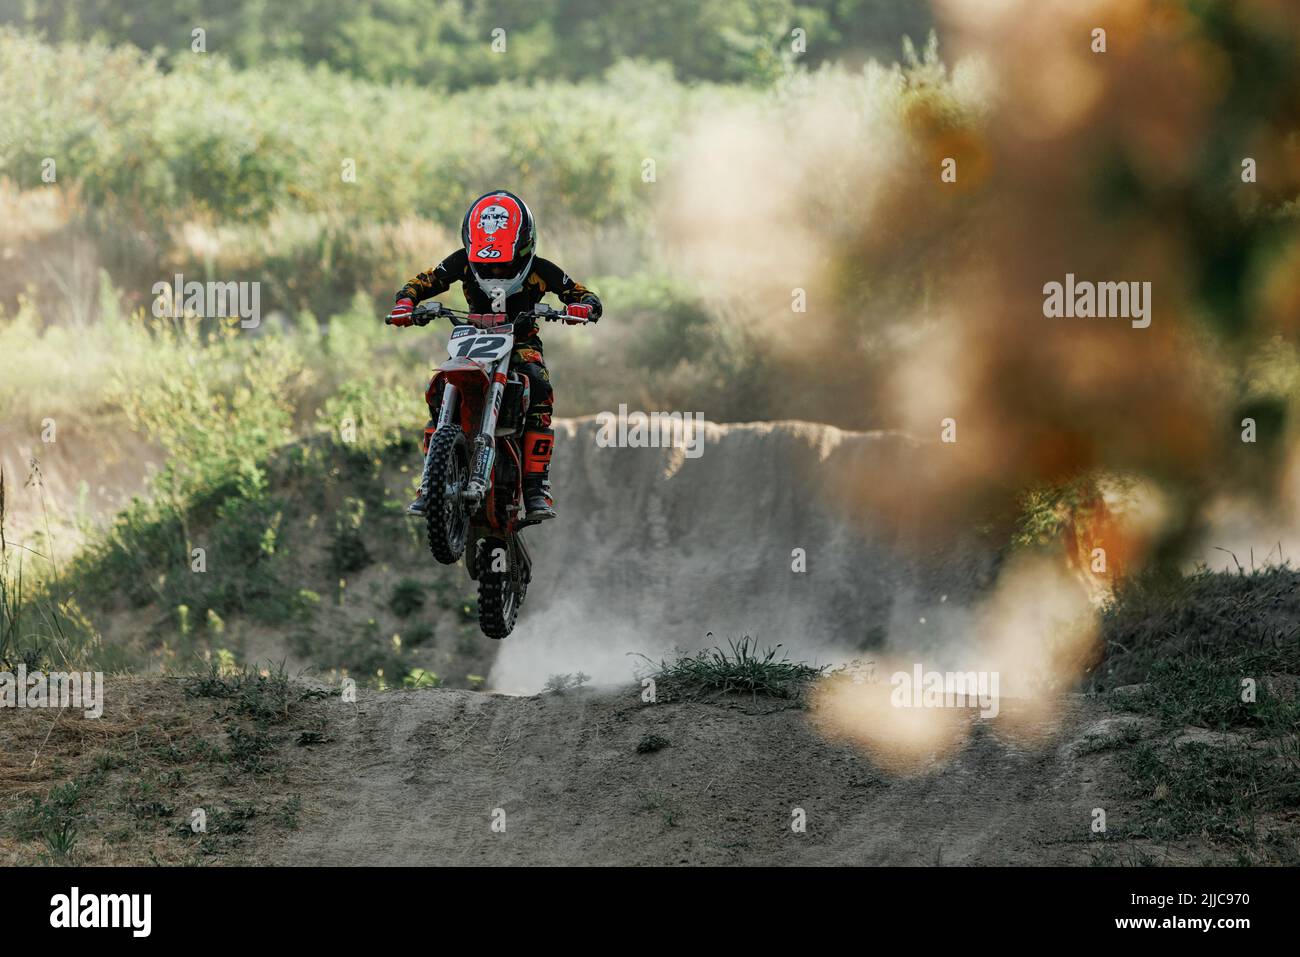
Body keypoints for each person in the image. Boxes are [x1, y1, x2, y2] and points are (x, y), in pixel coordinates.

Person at [388, 189, 602, 521]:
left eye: (504, 266)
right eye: (489, 267)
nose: (497, 273)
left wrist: (583, 307)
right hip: (472, 339)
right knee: (439, 388)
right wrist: (406, 303)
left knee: (539, 387)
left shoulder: (541, 269)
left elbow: (580, 292)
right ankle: (430, 483)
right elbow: (424, 280)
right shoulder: (461, 261)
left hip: (521, 344)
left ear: (525, 247)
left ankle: (536, 487)